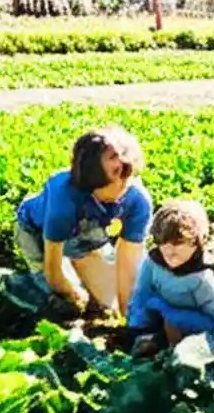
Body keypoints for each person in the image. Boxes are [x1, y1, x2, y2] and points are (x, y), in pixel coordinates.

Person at [15, 126, 151, 319]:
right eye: (118, 177)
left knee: (110, 301)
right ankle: (22, 284)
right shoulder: (63, 202)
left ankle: (84, 269)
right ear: (93, 185)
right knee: (63, 301)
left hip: (87, 238)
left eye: (126, 175)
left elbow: (129, 261)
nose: (124, 183)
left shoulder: (136, 200)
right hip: (37, 234)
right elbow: (53, 269)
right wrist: (73, 294)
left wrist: (129, 317)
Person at [125, 200, 214, 355]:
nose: (169, 252)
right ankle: (150, 338)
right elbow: (141, 294)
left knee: (174, 319)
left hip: (194, 324)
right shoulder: (153, 262)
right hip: (159, 313)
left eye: (178, 243)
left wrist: (170, 314)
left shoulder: (203, 277)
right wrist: (137, 329)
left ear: (198, 242)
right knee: (143, 307)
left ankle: (170, 346)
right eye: (163, 243)